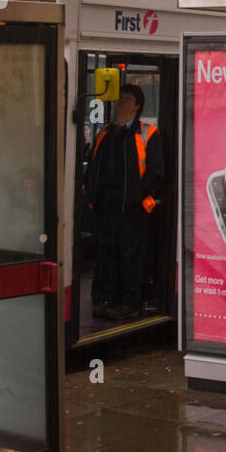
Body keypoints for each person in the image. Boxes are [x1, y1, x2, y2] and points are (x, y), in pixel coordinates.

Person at [86, 84, 165, 322]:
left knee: (131, 257)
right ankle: (105, 299)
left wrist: (135, 197)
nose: (122, 102)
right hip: (106, 208)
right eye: (120, 98)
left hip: (133, 210)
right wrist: (92, 197)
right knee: (106, 255)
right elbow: (93, 168)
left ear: (137, 105)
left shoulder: (148, 134)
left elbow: (156, 171)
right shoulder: (104, 135)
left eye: (127, 98)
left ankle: (130, 303)